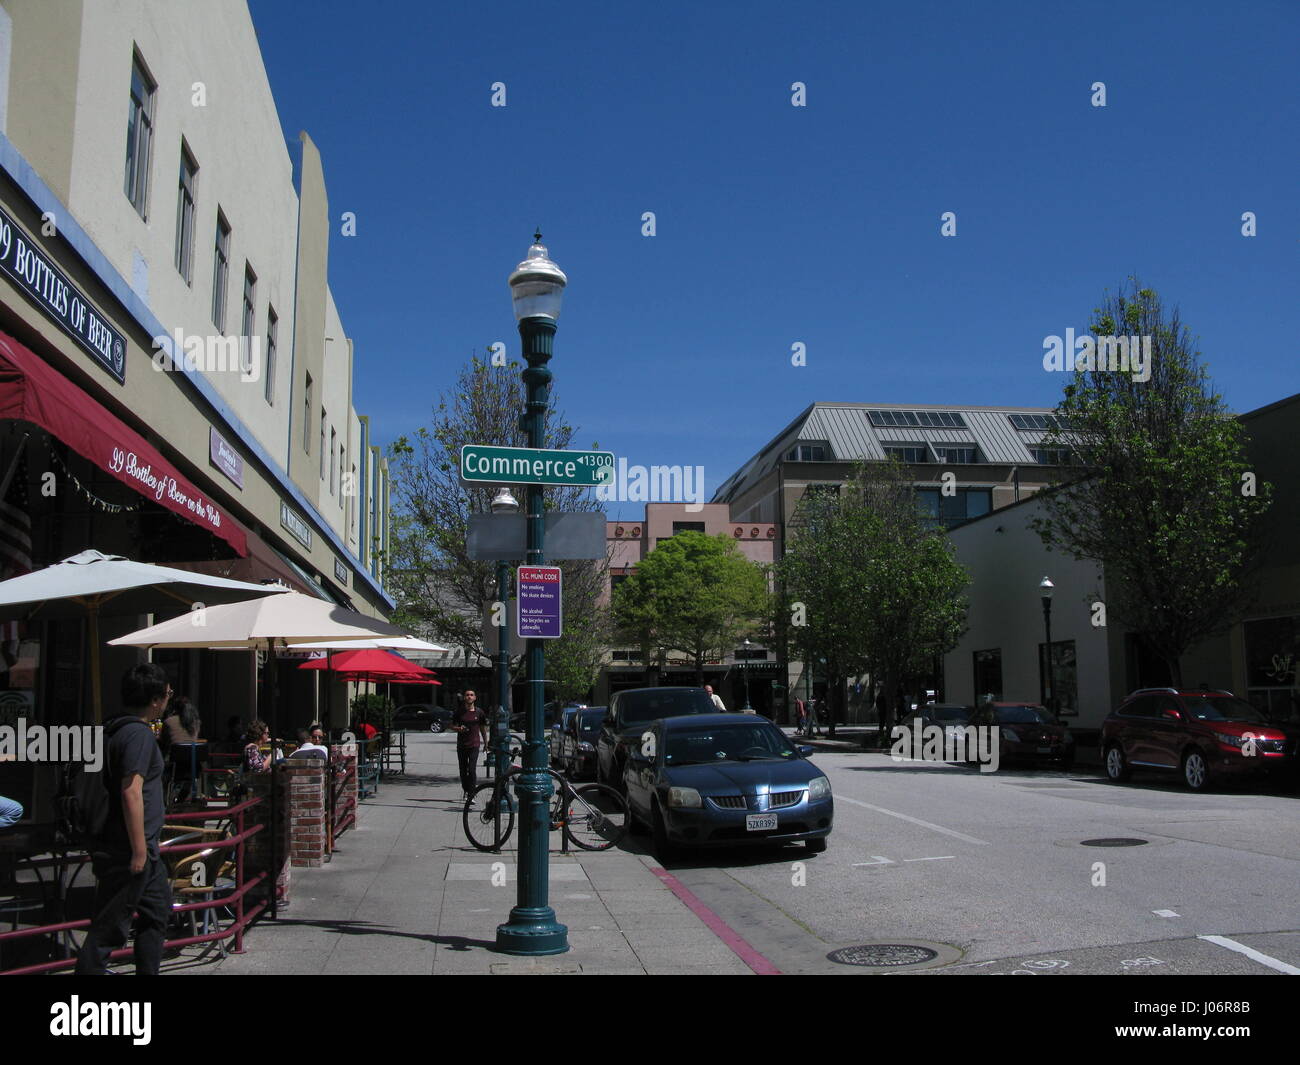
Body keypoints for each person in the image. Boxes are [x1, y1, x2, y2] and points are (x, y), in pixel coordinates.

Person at [75, 663, 173, 975]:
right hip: (131, 848)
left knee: (156, 913)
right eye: (167, 694)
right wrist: (140, 850)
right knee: (109, 928)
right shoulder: (137, 735)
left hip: (133, 846)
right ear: (156, 700)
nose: (168, 700)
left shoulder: (111, 728)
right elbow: (131, 791)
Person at [452, 689, 487, 798]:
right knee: (463, 771)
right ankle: (466, 790)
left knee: (471, 770)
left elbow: (482, 729)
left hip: (474, 745)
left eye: (471, 695)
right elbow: (451, 726)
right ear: (464, 698)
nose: (469, 697)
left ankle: (472, 793)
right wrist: (459, 728)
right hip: (462, 745)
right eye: (467, 695)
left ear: (475, 698)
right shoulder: (459, 712)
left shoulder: (479, 712)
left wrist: (486, 743)